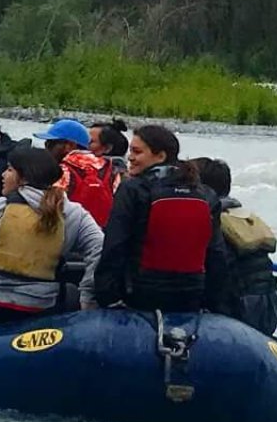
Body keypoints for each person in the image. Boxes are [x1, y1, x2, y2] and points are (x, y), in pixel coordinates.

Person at [0, 143, 104, 321]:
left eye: (10, 170)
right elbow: (100, 249)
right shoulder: (74, 214)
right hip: (40, 308)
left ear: (24, 178)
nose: (3, 175)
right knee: (71, 293)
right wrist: (87, 296)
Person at [91, 123, 230, 315]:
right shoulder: (205, 194)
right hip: (191, 296)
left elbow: (115, 246)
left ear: (160, 156)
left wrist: (107, 297)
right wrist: (215, 304)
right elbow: (216, 254)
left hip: (140, 297)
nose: (130, 157)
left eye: (137, 152)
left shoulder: (133, 190)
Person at [189, 157, 277, 336]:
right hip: (270, 306)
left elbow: (215, 273)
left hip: (239, 310)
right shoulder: (240, 217)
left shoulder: (211, 221)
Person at [43, 117, 118, 227]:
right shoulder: (111, 170)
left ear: (70, 146)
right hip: (99, 235)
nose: (46, 149)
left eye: (50, 144)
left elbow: (49, 209)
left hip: (70, 233)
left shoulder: (62, 171)